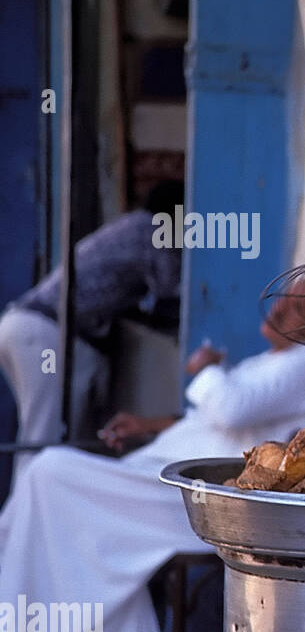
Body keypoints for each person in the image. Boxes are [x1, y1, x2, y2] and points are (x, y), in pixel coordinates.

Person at [0, 283, 305, 632]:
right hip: (158, 476)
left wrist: (205, 369)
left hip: (190, 500)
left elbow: (232, 409)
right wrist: (148, 425)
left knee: (50, 471)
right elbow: (211, 422)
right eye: (284, 300)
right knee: (61, 519)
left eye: (298, 310)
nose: (282, 310)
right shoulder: (273, 361)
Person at [0, 180, 186, 485]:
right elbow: (175, 294)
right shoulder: (153, 231)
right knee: (44, 442)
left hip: (22, 328)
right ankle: (20, 526)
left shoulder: (131, 226)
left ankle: (28, 519)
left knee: (43, 434)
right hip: (45, 337)